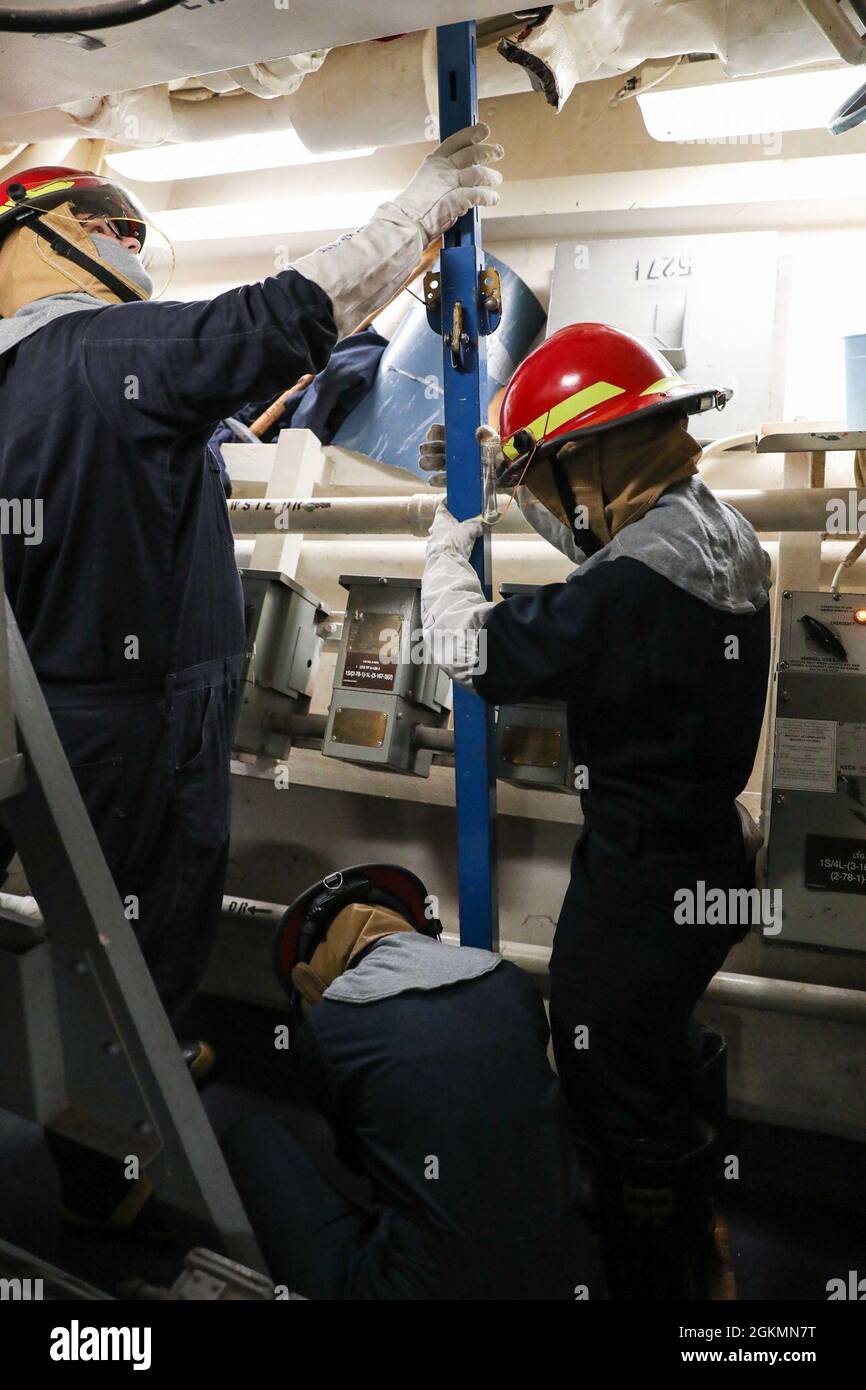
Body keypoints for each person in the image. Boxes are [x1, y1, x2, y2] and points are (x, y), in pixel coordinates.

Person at [0, 125, 503, 1232]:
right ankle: (120, 1197)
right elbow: (272, 320)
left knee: (93, 959)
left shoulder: (39, 376)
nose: (127, 241)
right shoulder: (97, 351)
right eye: (108, 223)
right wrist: (413, 215)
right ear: (46, 238)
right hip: (139, 727)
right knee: (138, 966)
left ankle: (106, 1156)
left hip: (56, 710)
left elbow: (213, 419)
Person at [419, 322, 771, 1297]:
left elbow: (471, 646)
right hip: (710, 857)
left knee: (607, 1068)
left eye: (549, 474)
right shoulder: (712, 529)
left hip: (639, 884)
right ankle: (696, 1219)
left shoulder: (627, 587)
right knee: (660, 1042)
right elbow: (605, 539)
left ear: (589, 457)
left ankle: (656, 1268)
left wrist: (444, 550)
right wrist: (509, 471)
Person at [223, 863, 601, 1300]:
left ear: (315, 976)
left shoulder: (328, 1029)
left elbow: (356, 1163)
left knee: (247, 1138)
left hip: (420, 1287)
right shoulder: (509, 980)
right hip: (571, 1276)